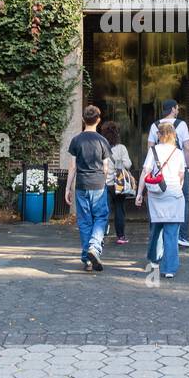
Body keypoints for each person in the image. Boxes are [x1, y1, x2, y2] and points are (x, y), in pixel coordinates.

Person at [135, 120, 186, 279]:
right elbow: (181, 176)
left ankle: (154, 260)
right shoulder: (178, 153)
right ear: (173, 135)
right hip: (173, 193)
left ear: (160, 135)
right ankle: (169, 268)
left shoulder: (153, 150)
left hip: (156, 195)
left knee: (156, 228)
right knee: (171, 232)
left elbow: (145, 172)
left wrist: (139, 193)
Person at [66, 104, 112, 272]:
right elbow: (106, 168)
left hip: (81, 185)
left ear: (83, 119)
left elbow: (72, 168)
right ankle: (94, 247)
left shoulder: (76, 140)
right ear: (98, 120)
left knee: (84, 221)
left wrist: (67, 188)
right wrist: (103, 181)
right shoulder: (103, 141)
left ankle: (87, 259)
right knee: (100, 217)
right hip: (98, 184)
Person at [147, 99, 189, 248]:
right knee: (183, 200)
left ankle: (157, 236)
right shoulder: (181, 124)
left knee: (157, 200)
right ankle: (182, 236)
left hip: (158, 171)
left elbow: (150, 147)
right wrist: (187, 166)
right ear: (173, 109)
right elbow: (187, 147)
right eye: (177, 108)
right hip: (177, 169)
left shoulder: (154, 125)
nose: (178, 110)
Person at [100, 120, 132, 245]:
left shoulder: (101, 147)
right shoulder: (121, 148)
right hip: (119, 184)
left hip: (104, 184)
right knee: (120, 210)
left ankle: (101, 235)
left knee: (104, 211)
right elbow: (128, 164)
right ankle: (120, 236)